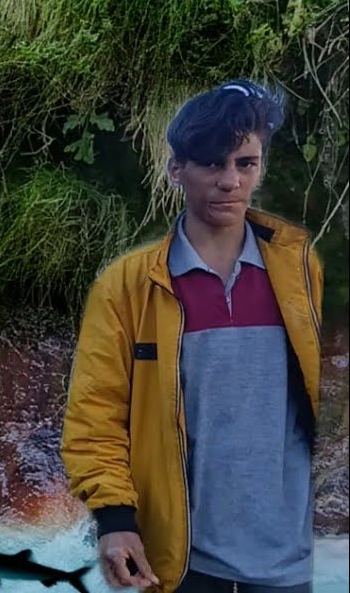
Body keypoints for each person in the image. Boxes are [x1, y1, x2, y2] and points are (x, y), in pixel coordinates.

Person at [60, 80, 324, 593]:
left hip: (286, 564)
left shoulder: (300, 271)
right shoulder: (128, 286)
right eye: (212, 163)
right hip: (178, 565)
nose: (230, 181)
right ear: (176, 169)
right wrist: (115, 521)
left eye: (245, 164)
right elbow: (95, 415)